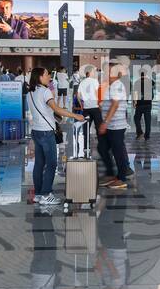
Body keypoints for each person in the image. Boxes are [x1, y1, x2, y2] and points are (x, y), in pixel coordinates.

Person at [26, 66, 84, 209]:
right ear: (40, 77)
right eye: (47, 74)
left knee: (39, 164)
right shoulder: (45, 92)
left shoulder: (30, 93)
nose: (49, 77)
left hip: (36, 131)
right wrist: (75, 115)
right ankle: (46, 194)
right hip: (46, 133)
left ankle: (39, 194)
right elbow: (56, 109)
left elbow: (45, 112)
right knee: (51, 164)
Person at [98, 62, 132, 190]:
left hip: (116, 125)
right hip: (110, 125)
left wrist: (105, 123)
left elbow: (115, 104)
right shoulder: (110, 86)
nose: (105, 73)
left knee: (118, 152)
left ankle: (121, 178)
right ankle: (111, 174)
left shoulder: (117, 85)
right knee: (102, 148)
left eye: (108, 71)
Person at [77, 63, 101, 139]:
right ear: (90, 72)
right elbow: (99, 94)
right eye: (94, 72)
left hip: (86, 109)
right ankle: (101, 144)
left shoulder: (82, 82)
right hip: (95, 107)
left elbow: (78, 95)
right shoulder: (95, 81)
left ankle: (86, 147)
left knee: (86, 128)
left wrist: (81, 105)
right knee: (98, 127)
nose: (95, 73)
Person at [133, 63, 153, 139]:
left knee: (136, 118)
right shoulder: (150, 82)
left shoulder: (137, 82)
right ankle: (147, 136)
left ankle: (140, 132)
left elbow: (135, 93)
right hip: (148, 104)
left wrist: (135, 102)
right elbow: (152, 94)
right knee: (148, 120)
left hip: (139, 104)